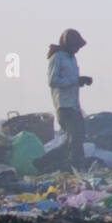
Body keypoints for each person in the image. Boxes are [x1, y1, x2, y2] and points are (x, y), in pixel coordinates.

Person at [47, 28, 92, 169]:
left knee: (79, 134)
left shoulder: (72, 59)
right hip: (63, 104)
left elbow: (72, 80)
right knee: (75, 135)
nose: (77, 50)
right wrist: (75, 80)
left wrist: (81, 80)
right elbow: (52, 81)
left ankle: (71, 164)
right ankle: (74, 166)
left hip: (74, 104)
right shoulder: (57, 57)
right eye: (75, 46)